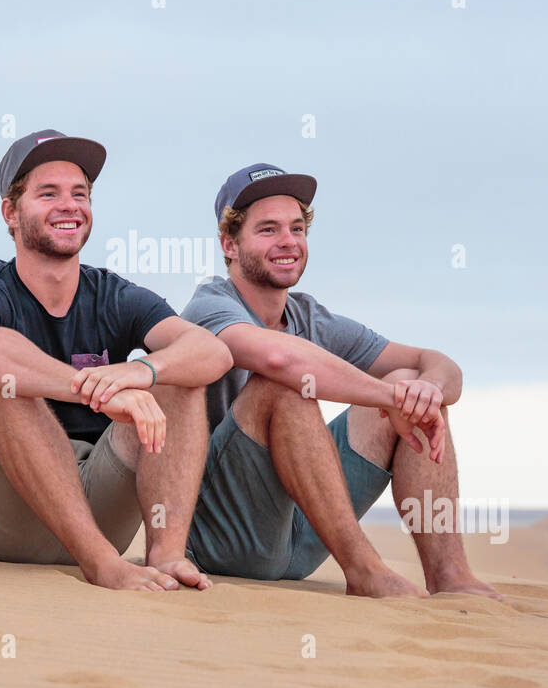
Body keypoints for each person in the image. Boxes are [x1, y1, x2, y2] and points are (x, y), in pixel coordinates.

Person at [179, 163, 500, 599]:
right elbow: (277, 357)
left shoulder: (310, 316)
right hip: (222, 538)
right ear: (229, 244)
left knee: (414, 382)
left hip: (300, 539)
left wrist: (424, 391)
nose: (288, 241)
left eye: (296, 228)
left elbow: (440, 364)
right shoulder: (210, 307)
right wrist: (391, 396)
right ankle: (365, 570)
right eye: (268, 230)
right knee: (283, 385)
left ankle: (451, 577)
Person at [0, 130, 233, 591]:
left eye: (80, 194)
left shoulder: (114, 295)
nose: (69, 205)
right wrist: (96, 391)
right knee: (4, 382)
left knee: (180, 376)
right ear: (10, 213)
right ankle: (100, 565)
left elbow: (212, 351)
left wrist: (140, 372)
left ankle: (168, 555)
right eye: (48, 193)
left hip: (96, 503)